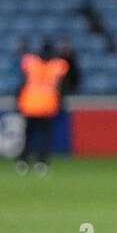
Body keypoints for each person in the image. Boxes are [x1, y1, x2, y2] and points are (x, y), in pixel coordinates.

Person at [16, 41, 70, 175]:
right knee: (44, 137)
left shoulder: (31, 62)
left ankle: (23, 162)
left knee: (29, 136)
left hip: (30, 105)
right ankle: (42, 163)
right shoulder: (58, 65)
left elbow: (22, 77)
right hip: (47, 105)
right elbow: (61, 86)